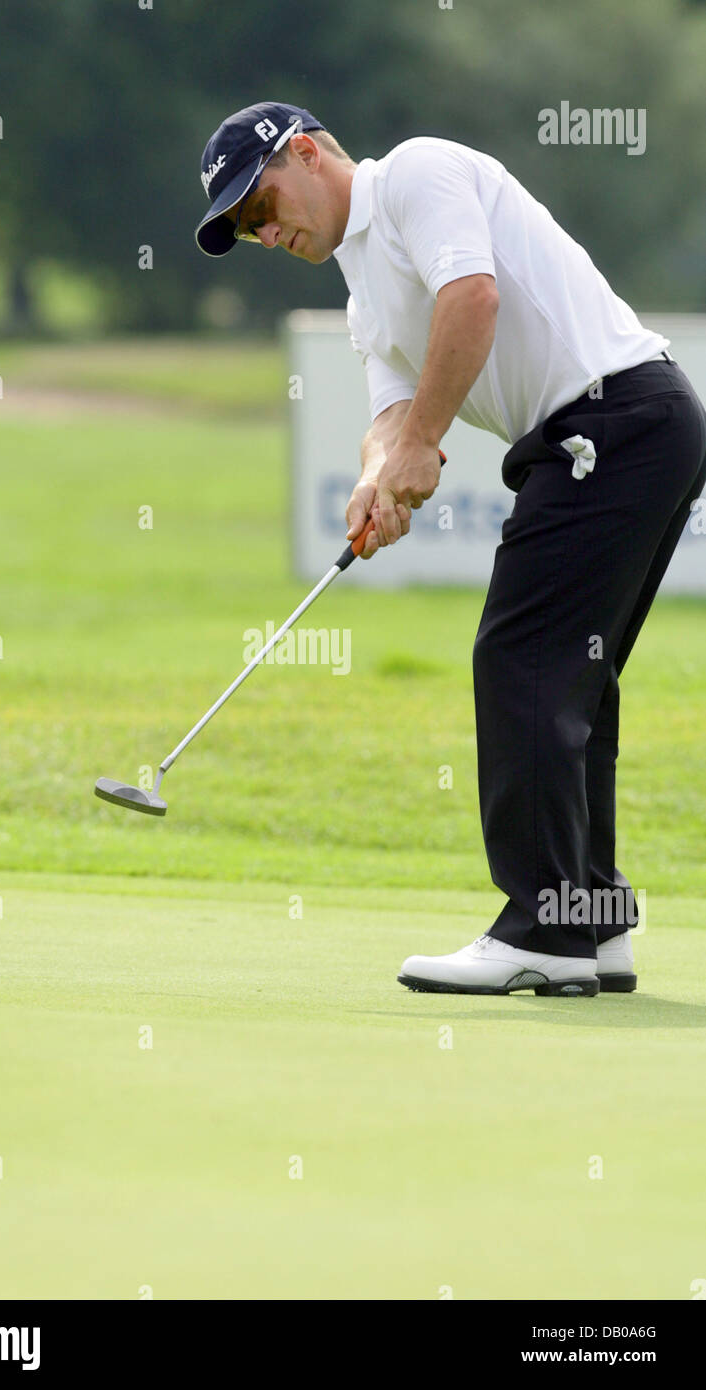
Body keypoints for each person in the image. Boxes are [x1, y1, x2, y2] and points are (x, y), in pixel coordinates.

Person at [195, 101, 706, 998]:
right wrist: (375, 478)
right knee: (572, 672)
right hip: (624, 431)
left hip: (612, 419)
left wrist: (422, 443)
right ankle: (590, 921)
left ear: (306, 154)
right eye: (243, 229)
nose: (262, 232)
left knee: (521, 658)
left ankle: (543, 927)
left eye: (260, 206)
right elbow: (389, 420)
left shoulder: (417, 175)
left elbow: (472, 298)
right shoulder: (361, 290)